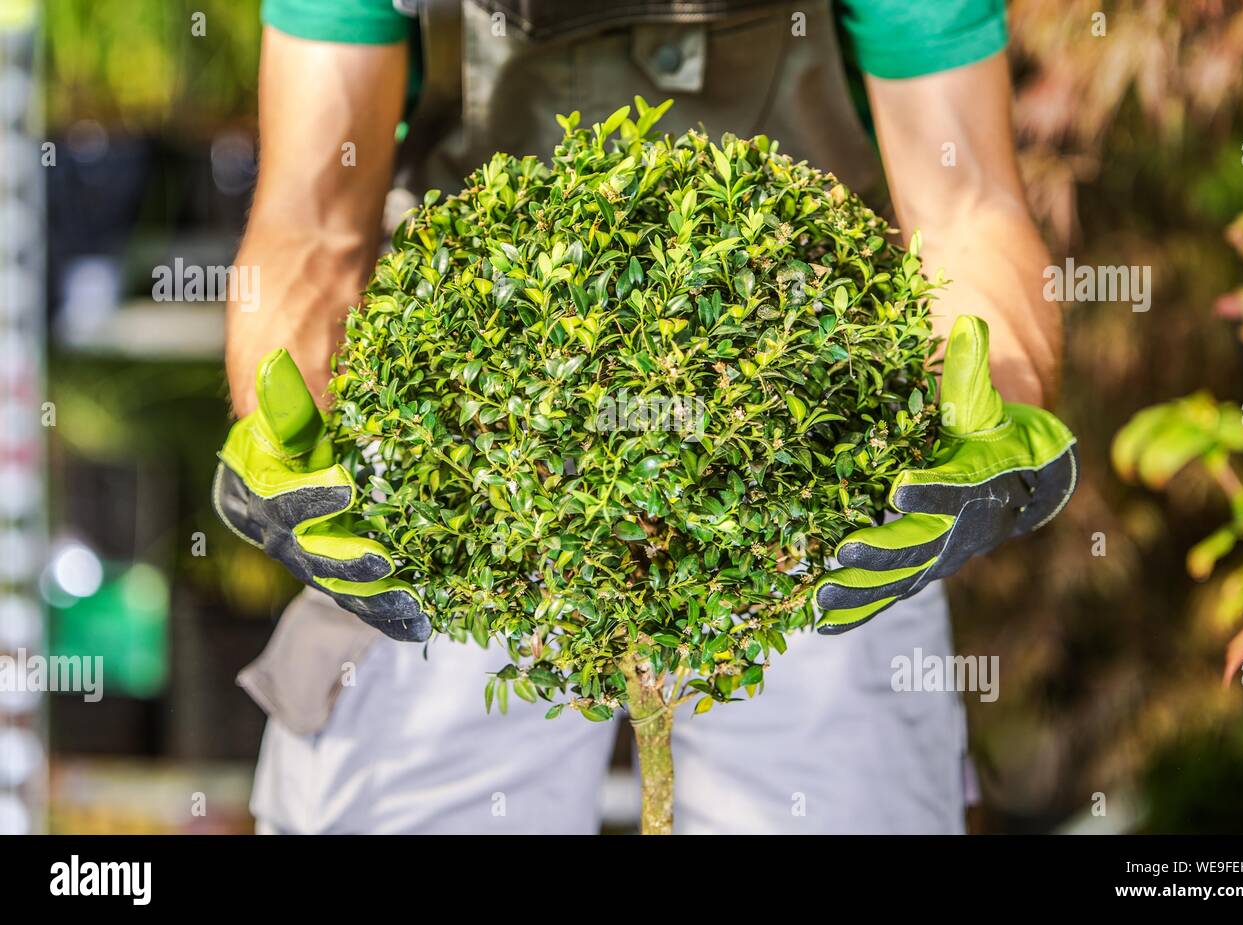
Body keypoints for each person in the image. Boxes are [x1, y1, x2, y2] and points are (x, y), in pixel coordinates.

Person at [215, 0, 1075, 834]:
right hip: (464, 470)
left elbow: (966, 205)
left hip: (814, 479)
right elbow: (313, 222)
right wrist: (295, 434)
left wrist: (993, 401)